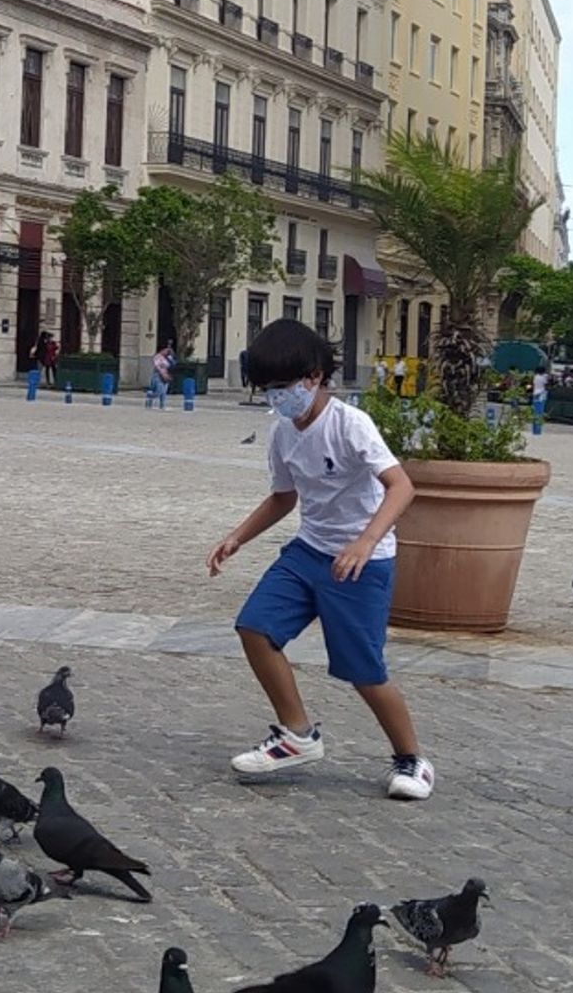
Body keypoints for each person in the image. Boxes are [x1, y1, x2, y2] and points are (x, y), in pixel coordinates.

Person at [208, 318, 432, 800]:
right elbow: (283, 497)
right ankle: (297, 735)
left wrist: (365, 542)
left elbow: (401, 486)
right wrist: (237, 537)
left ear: (313, 377)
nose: (276, 397)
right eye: (268, 389)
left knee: (363, 671)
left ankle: (412, 759)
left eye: (282, 386)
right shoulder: (283, 433)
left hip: (361, 563)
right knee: (255, 627)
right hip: (309, 551)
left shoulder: (350, 424)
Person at [149, 338, 175, 408]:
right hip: (158, 376)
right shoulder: (157, 357)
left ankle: (162, 405)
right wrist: (163, 374)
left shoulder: (168, 357)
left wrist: (171, 356)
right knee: (159, 391)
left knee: (164, 393)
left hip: (166, 375)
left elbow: (172, 365)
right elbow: (158, 367)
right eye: (165, 350)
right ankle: (150, 398)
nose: (167, 351)